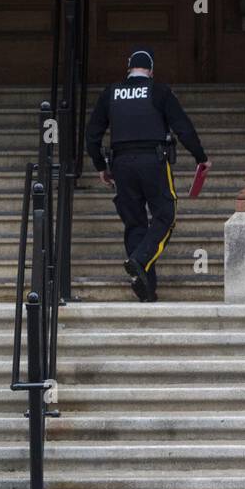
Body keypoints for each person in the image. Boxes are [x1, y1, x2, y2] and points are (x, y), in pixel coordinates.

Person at [86, 49, 209, 302]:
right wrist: (200, 156)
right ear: (151, 71)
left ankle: (145, 289)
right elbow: (183, 127)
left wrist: (101, 166)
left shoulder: (110, 93)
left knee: (135, 224)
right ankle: (140, 261)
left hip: (120, 164)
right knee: (166, 214)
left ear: (128, 68)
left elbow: (92, 135)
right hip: (153, 161)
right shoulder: (159, 91)